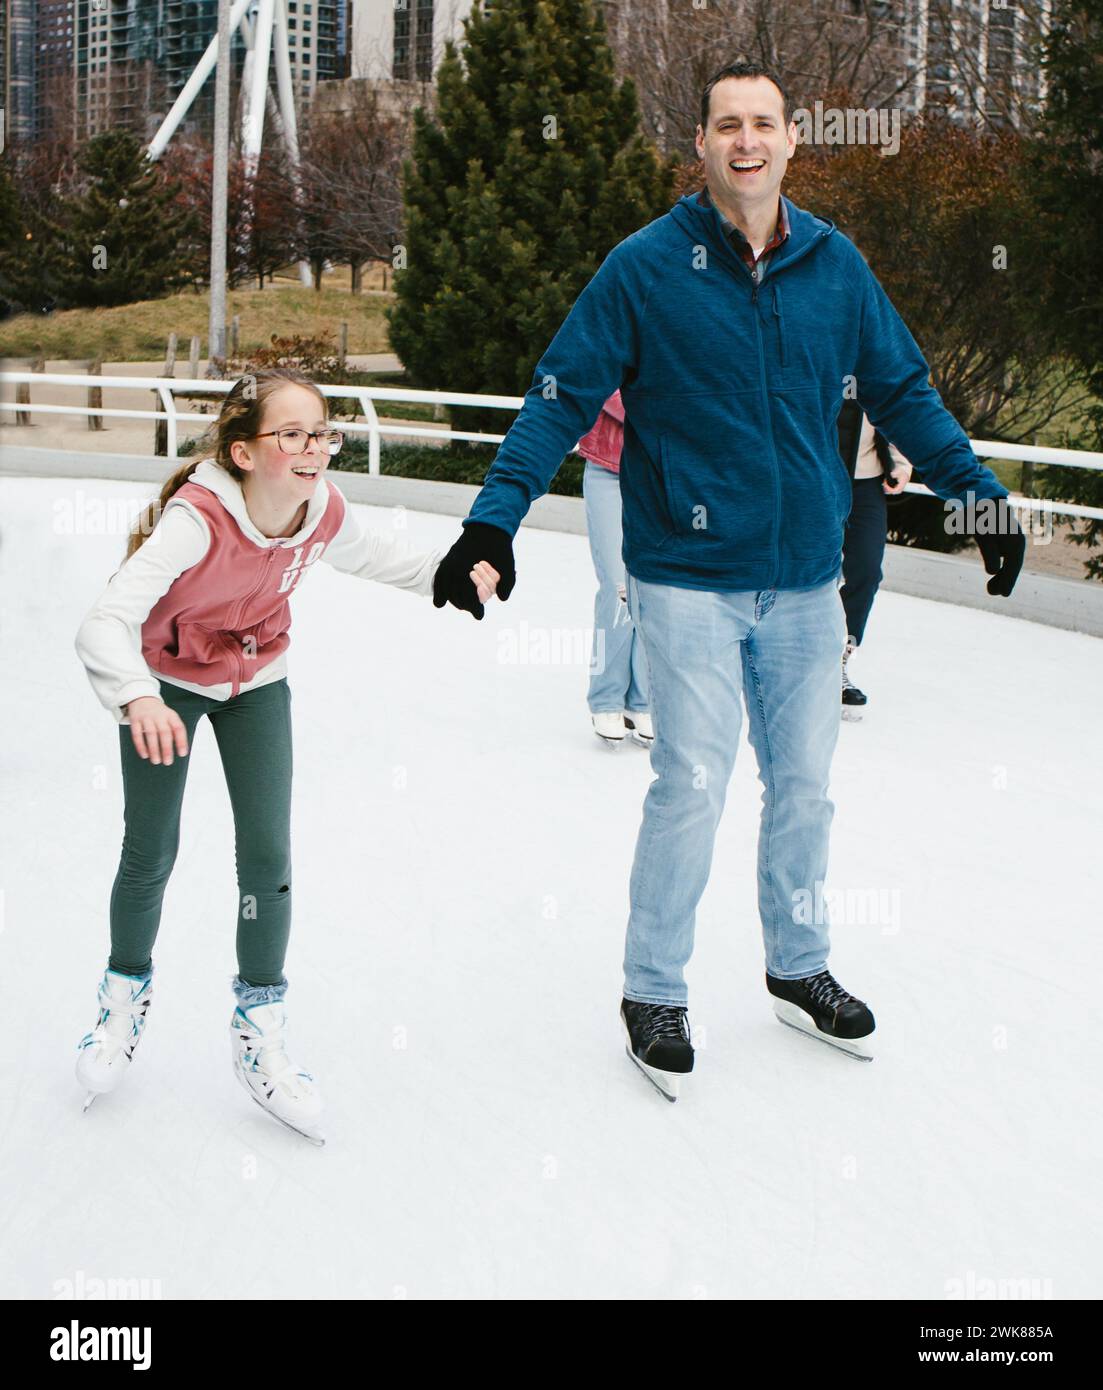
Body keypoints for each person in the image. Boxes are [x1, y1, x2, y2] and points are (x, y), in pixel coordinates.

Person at [430, 62, 1024, 1098]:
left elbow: (904, 391)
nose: (744, 140)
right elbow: (558, 398)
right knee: (691, 784)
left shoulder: (835, 267)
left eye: (762, 124)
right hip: (686, 580)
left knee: (802, 790)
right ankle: (651, 988)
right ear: (698, 145)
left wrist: (977, 500)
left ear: (792, 139)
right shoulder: (643, 268)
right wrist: (492, 521)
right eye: (724, 125)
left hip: (803, 582)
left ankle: (797, 968)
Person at [72, 367, 497, 1141]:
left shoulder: (320, 507)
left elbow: (371, 554)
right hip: (164, 682)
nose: (314, 449)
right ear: (242, 451)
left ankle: (259, 1026)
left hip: (258, 678)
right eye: (293, 434)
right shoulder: (195, 519)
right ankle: (120, 1002)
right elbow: (103, 620)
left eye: (323, 432)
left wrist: (446, 577)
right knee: (150, 851)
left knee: (267, 856)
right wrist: (135, 696)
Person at [577, 389, 653, 747]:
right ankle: (606, 697)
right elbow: (604, 383)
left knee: (653, 585)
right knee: (617, 586)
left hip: (660, 475)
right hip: (608, 468)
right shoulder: (612, 330)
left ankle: (643, 699)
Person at [836, 400, 913, 717]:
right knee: (811, 573)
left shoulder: (879, 355)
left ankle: (838, 664)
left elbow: (901, 412)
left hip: (868, 486)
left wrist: (901, 465)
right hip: (818, 476)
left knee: (866, 573)